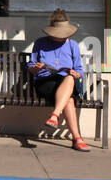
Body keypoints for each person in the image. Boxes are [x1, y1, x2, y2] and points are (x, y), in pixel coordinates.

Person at [27, 9, 90, 151]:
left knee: (68, 78)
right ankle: (77, 139)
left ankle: (55, 115)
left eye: (62, 35)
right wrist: (37, 68)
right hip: (45, 82)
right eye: (56, 35)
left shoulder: (73, 45)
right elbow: (30, 67)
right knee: (69, 99)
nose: (59, 38)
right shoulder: (40, 43)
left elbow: (79, 70)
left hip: (66, 81)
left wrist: (76, 74)